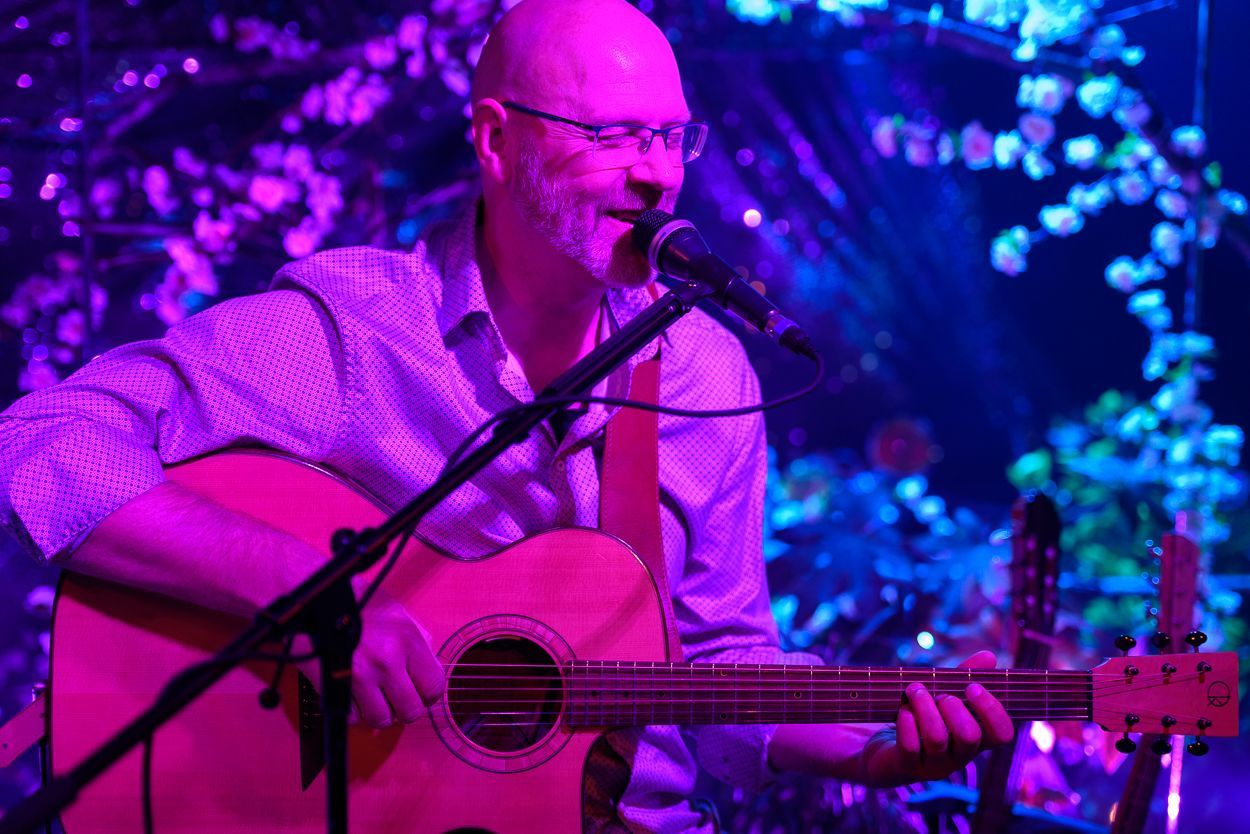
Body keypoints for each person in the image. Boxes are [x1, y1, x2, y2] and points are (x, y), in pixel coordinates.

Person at [0, 0, 1013, 830]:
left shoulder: (703, 374)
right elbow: (45, 439)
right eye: (613, 135)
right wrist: (298, 586)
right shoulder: (354, 337)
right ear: (494, 139)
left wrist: (874, 750)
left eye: (669, 136)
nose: (657, 173)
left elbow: (715, 669)